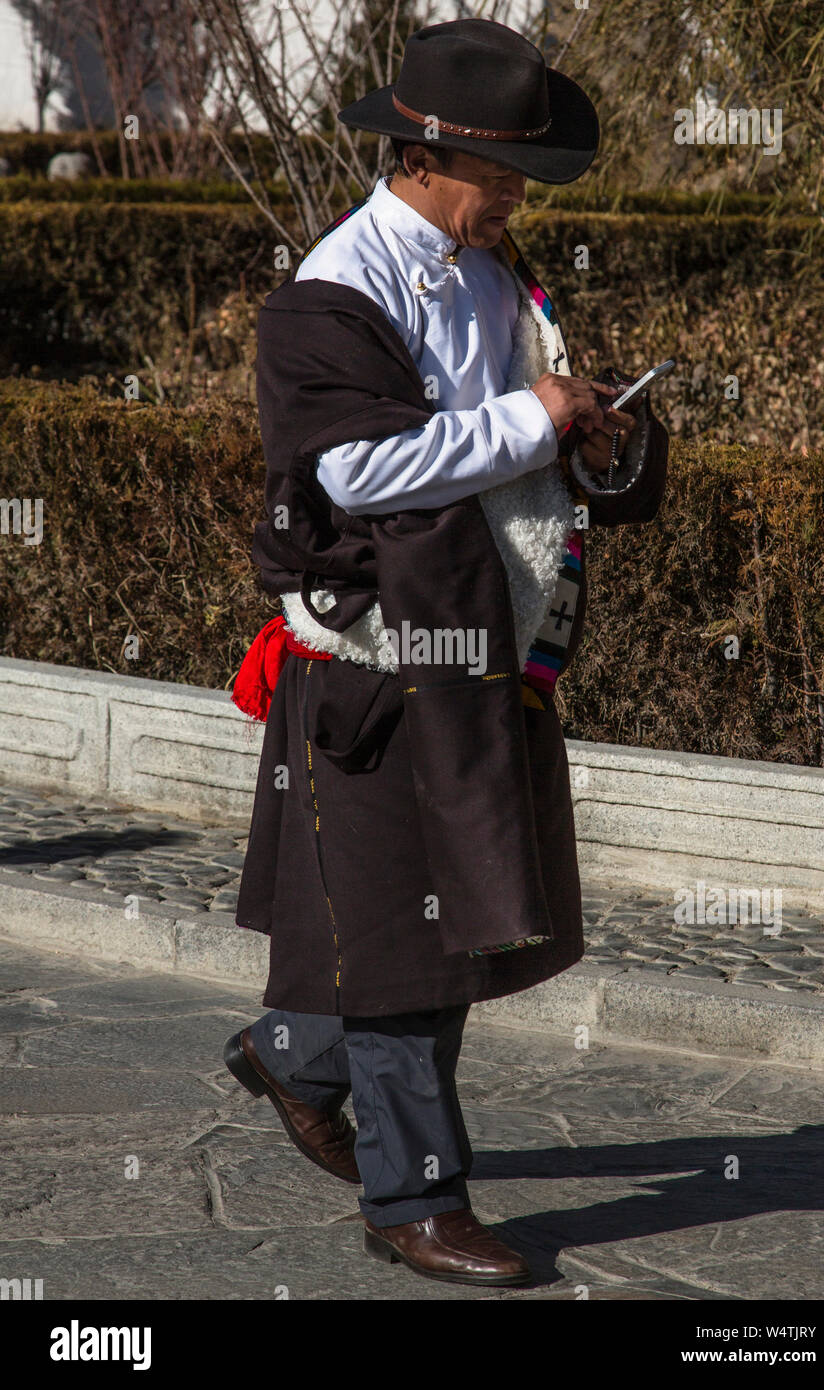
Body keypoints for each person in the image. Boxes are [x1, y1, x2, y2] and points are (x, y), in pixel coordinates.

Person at [226, 17, 669, 1288]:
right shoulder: (326, 293)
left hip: (480, 641)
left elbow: (509, 435)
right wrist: (532, 420)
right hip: (379, 646)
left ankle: (295, 1051)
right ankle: (411, 1198)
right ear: (419, 158)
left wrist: (582, 432)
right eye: (504, 176)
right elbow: (357, 472)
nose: (517, 199)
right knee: (409, 932)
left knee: (443, 918)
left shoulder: (492, 268)